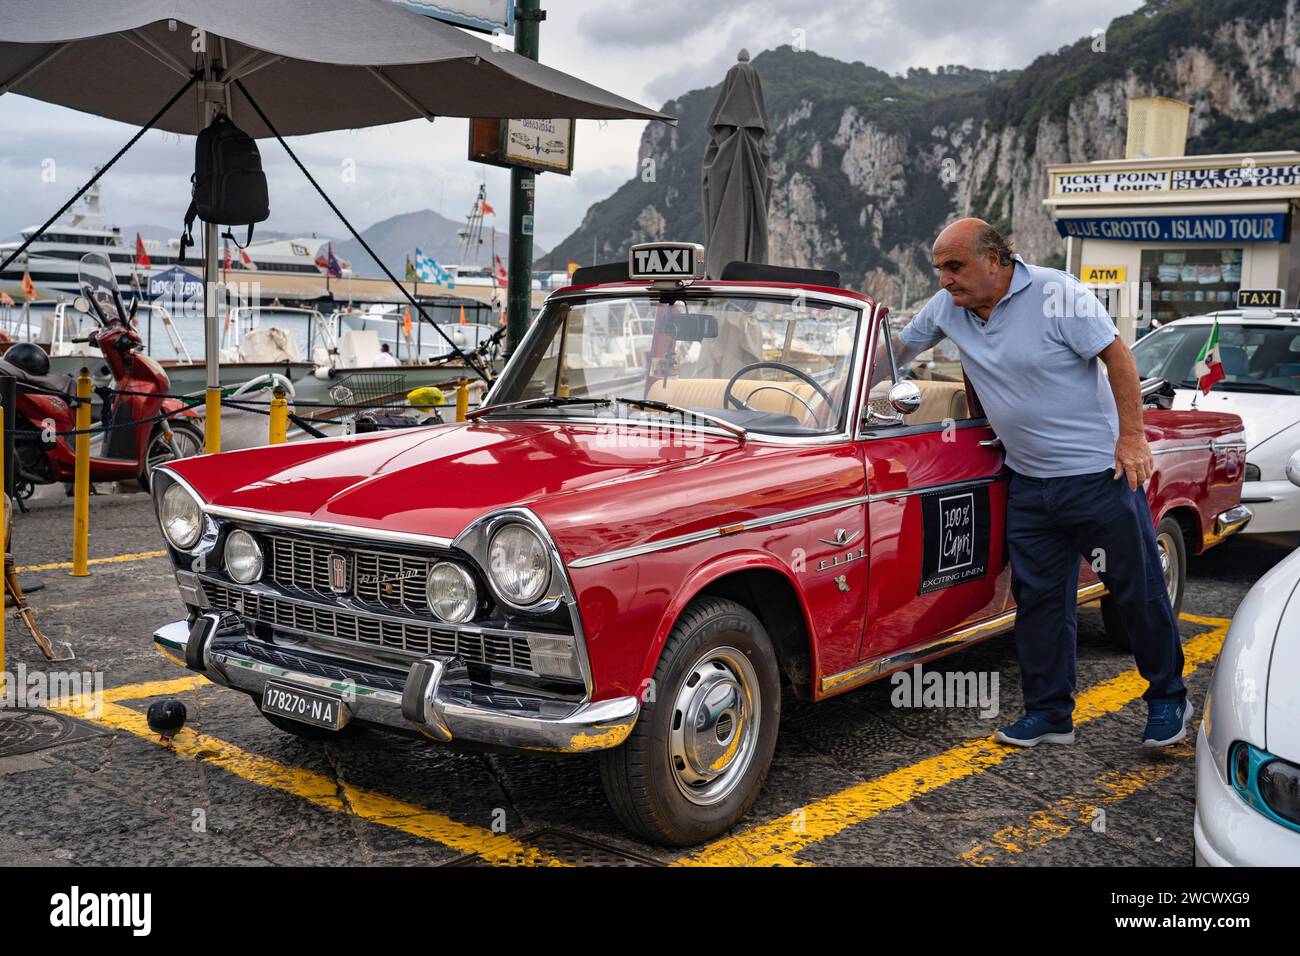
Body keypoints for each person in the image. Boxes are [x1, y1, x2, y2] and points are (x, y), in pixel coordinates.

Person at [893, 218, 1192, 749]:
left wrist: (1132, 439)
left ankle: (1169, 698)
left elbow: (1118, 357)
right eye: (939, 268)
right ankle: (1050, 713)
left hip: (1100, 476)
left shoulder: (1058, 293)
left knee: (1136, 592)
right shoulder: (949, 308)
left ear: (995, 260)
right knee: (1040, 602)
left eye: (954, 267)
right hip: (1029, 481)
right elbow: (891, 354)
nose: (944, 280)